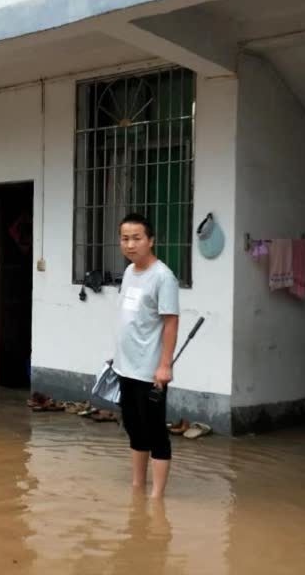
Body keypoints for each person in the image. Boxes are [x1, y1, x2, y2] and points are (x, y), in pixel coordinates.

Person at [114, 213, 180, 499]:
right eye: (125, 238)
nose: (130, 244)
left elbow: (170, 322)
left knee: (155, 431)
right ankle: (137, 486)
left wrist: (164, 365)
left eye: (137, 238)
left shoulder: (163, 277)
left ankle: (156, 497)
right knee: (133, 426)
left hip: (150, 369)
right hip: (125, 366)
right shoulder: (130, 272)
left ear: (150, 240)